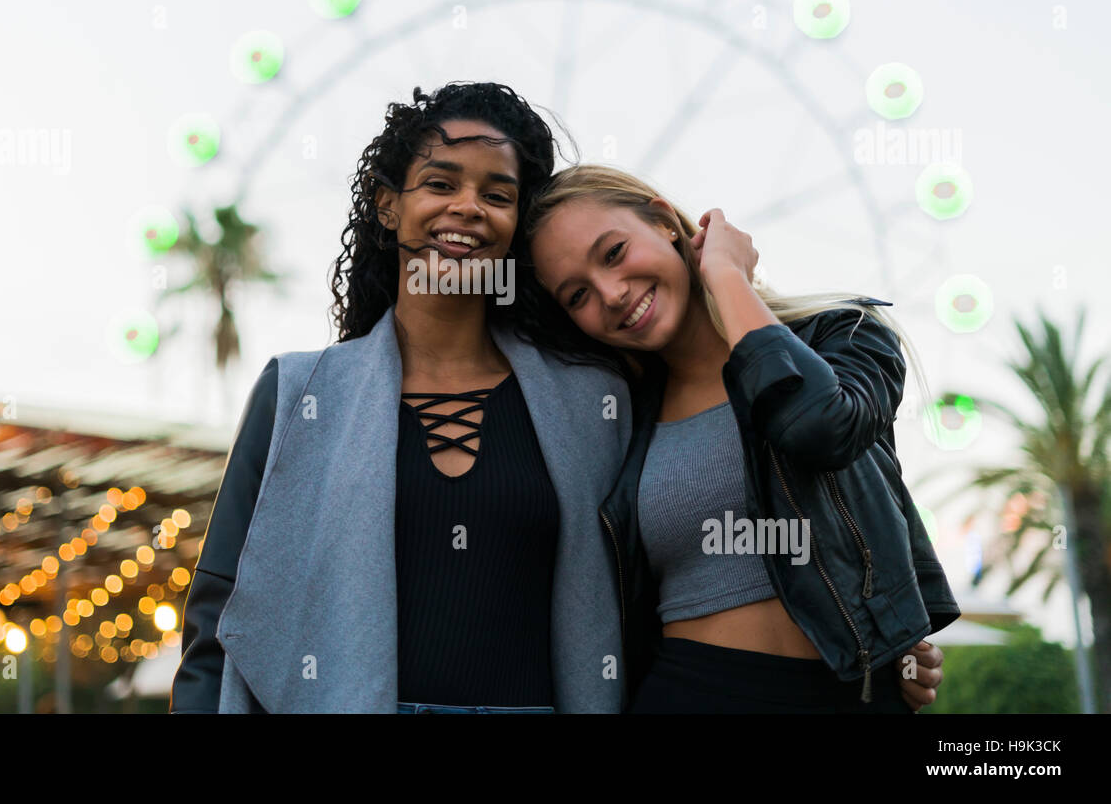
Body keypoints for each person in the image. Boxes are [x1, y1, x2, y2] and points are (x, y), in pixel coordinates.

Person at [170, 82, 633, 713]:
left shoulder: (594, 401)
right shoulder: (298, 393)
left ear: (517, 226)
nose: (469, 207)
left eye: (497, 195)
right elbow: (220, 612)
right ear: (388, 206)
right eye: (441, 184)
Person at [524, 164, 959, 713]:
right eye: (576, 295)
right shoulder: (618, 413)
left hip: (852, 693)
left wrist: (727, 276)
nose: (610, 294)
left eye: (613, 253)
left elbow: (819, 427)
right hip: (689, 693)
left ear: (664, 222)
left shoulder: (843, 336)